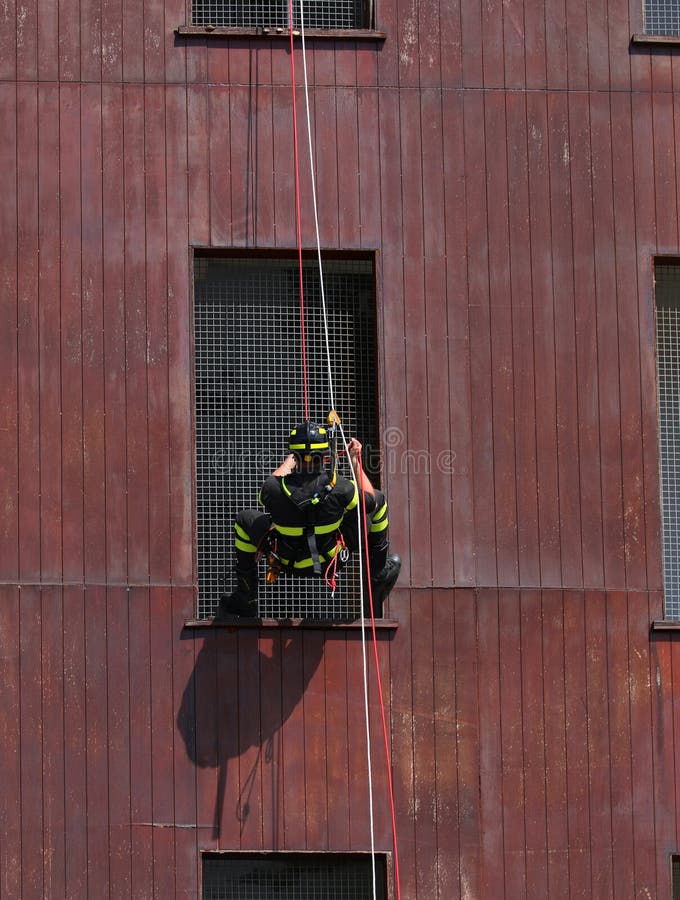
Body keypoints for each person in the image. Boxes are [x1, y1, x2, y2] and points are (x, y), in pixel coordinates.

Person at [216, 421, 401, 619]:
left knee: (244, 519)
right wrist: (355, 460)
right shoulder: (341, 488)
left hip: (287, 562)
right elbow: (370, 502)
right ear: (324, 455)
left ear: (294, 455)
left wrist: (293, 459)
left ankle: (246, 597)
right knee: (378, 500)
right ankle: (377, 574)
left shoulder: (273, 489)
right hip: (331, 560)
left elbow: (270, 485)